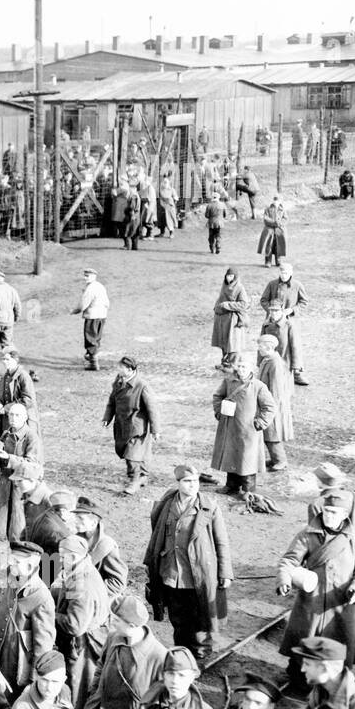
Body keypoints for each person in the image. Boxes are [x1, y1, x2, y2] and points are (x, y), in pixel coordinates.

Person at [277, 492, 355, 677]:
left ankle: (336, 680)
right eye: (326, 511)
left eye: (334, 513)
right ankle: (299, 677)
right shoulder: (307, 534)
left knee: (339, 645)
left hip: (341, 603)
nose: (329, 516)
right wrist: (284, 579)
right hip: (310, 601)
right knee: (304, 643)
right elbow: (289, 560)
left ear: (344, 515)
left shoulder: (353, 539)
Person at [145, 464, 232, 659]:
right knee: (177, 615)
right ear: (178, 483)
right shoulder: (167, 504)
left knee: (200, 615)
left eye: (195, 481)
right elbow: (157, 531)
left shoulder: (209, 506)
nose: (192, 485)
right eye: (187, 481)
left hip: (198, 573)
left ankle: (200, 651)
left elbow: (222, 541)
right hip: (172, 572)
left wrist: (225, 572)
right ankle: (181, 650)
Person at [0, 540, 56, 695]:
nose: (11, 563)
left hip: (14, 667)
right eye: (11, 559)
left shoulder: (41, 597)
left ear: (31, 566)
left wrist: (33, 684)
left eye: (16, 561)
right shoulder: (12, 579)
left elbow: (42, 646)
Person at [52, 534, 111, 709]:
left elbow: (74, 625)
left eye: (65, 556)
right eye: (60, 555)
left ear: (78, 555)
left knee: (77, 691)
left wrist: (50, 614)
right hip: (92, 636)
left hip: (82, 645)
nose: (61, 560)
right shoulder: (83, 569)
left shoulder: (81, 584)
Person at [210, 352, 276, 495]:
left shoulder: (258, 386)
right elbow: (217, 396)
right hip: (230, 428)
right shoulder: (228, 382)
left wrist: (260, 422)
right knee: (231, 456)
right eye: (239, 366)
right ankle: (231, 486)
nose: (241, 369)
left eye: (244, 366)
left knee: (248, 461)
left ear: (251, 368)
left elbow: (270, 407)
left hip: (248, 431)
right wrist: (218, 412)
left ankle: (248, 490)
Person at [102, 355, 159, 495]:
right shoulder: (118, 382)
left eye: (121, 367)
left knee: (132, 455)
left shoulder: (141, 385)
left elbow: (152, 408)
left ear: (130, 369)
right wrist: (107, 417)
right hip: (122, 425)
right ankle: (143, 476)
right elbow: (112, 402)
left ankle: (135, 482)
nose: (118, 369)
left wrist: (155, 430)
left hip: (137, 427)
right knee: (127, 451)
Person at [0, 402, 41, 540]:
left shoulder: (31, 437)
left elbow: (33, 465)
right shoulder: (6, 433)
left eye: (17, 415)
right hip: (4, 484)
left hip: (20, 485)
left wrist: (9, 458)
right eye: (11, 415)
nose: (13, 418)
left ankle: (18, 554)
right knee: (0, 524)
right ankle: (0, 555)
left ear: (25, 417)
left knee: (18, 524)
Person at [259, 260, 310, 385]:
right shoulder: (272, 284)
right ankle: (268, 370)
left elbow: (304, 302)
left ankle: (296, 372)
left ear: (291, 273)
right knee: (271, 343)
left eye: (286, 273)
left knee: (293, 345)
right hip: (273, 320)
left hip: (290, 320)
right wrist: (272, 311)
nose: (283, 275)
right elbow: (264, 300)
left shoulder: (297, 285)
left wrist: (291, 310)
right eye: (281, 272)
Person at [255, 334, 294, 471]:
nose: (258, 349)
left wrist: (269, 406)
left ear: (269, 347)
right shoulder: (268, 359)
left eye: (260, 347)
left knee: (273, 434)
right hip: (267, 403)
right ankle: (274, 458)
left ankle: (280, 460)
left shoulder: (274, 363)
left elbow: (276, 389)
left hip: (272, 405)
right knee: (268, 434)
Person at [0, 348, 38, 443]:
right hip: (6, 420)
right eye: (3, 359)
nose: (4, 362)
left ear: (15, 360)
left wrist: (7, 408)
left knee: (21, 444)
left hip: (22, 420)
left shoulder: (23, 376)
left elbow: (28, 400)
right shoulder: (6, 376)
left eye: (7, 359)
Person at [71, 268, 109, 372]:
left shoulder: (90, 288)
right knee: (96, 337)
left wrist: (74, 311)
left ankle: (93, 363)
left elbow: (83, 304)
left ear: (94, 276)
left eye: (87, 276)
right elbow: (107, 302)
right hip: (102, 315)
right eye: (85, 275)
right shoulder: (100, 286)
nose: (85, 278)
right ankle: (91, 358)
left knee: (90, 338)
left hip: (92, 316)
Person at [212, 268, 250, 367]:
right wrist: (217, 307)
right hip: (222, 319)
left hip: (233, 320)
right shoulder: (224, 286)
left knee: (233, 343)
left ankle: (233, 364)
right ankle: (225, 362)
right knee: (223, 341)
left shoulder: (240, 288)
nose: (229, 278)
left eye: (231, 276)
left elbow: (244, 304)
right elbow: (220, 298)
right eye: (228, 276)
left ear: (235, 277)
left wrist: (227, 305)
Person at [257, 196, 287, 268]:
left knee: (279, 245)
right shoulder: (268, 208)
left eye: (277, 200)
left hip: (279, 230)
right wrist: (273, 222)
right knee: (268, 245)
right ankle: (268, 261)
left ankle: (278, 260)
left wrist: (279, 223)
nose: (276, 201)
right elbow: (265, 218)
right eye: (274, 199)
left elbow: (285, 218)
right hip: (269, 230)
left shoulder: (282, 209)